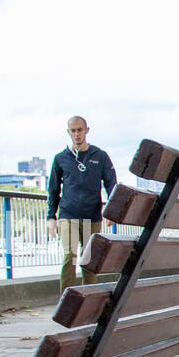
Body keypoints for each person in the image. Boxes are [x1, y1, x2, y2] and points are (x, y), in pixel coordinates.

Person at [46, 116, 117, 292]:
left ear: (87, 130)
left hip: (91, 216)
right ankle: (66, 300)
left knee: (89, 260)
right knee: (70, 256)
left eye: (80, 130)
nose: (77, 134)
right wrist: (50, 217)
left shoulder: (99, 156)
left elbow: (111, 184)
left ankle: (89, 299)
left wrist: (112, 211)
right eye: (73, 130)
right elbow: (53, 189)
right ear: (68, 132)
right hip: (68, 215)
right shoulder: (61, 158)